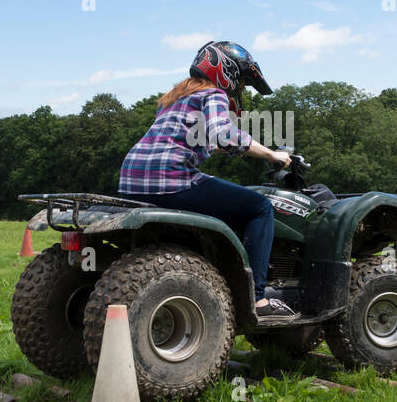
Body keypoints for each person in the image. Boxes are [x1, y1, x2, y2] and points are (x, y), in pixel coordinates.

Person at [118, 41, 296, 317]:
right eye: (241, 82)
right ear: (227, 72)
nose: (239, 89)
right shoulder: (213, 93)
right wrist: (272, 155)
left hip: (132, 181)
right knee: (260, 208)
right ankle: (258, 299)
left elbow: (193, 140)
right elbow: (224, 134)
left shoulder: (174, 98)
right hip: (170, 179)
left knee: (217, 192)